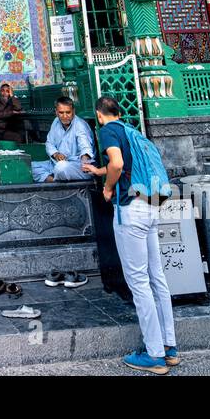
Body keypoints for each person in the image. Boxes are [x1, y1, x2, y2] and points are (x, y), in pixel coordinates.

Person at [83, 96, 178, 374]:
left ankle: (154, 353)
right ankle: (169, 346)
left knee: (138, 282)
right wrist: (98, 170)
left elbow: (116, 164)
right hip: (149, 206)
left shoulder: (107, 130)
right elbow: (123, 166)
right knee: (156, 277)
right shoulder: (130, 130)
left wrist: (107, 187)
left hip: (131, 211)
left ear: (99, 115)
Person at [31, 96, 94, 183]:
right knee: (30, 167)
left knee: (61, 168)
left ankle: (57, 179)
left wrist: (85, 162)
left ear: (73, 111)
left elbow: (85, 148)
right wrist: (56, 154)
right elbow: (49, 143)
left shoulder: (80, 126)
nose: (65, 116)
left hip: (76, 166)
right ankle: (54, 181)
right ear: (56, 112)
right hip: (56, 164)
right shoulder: (56, 122)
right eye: (61, 112)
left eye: (68, 112)